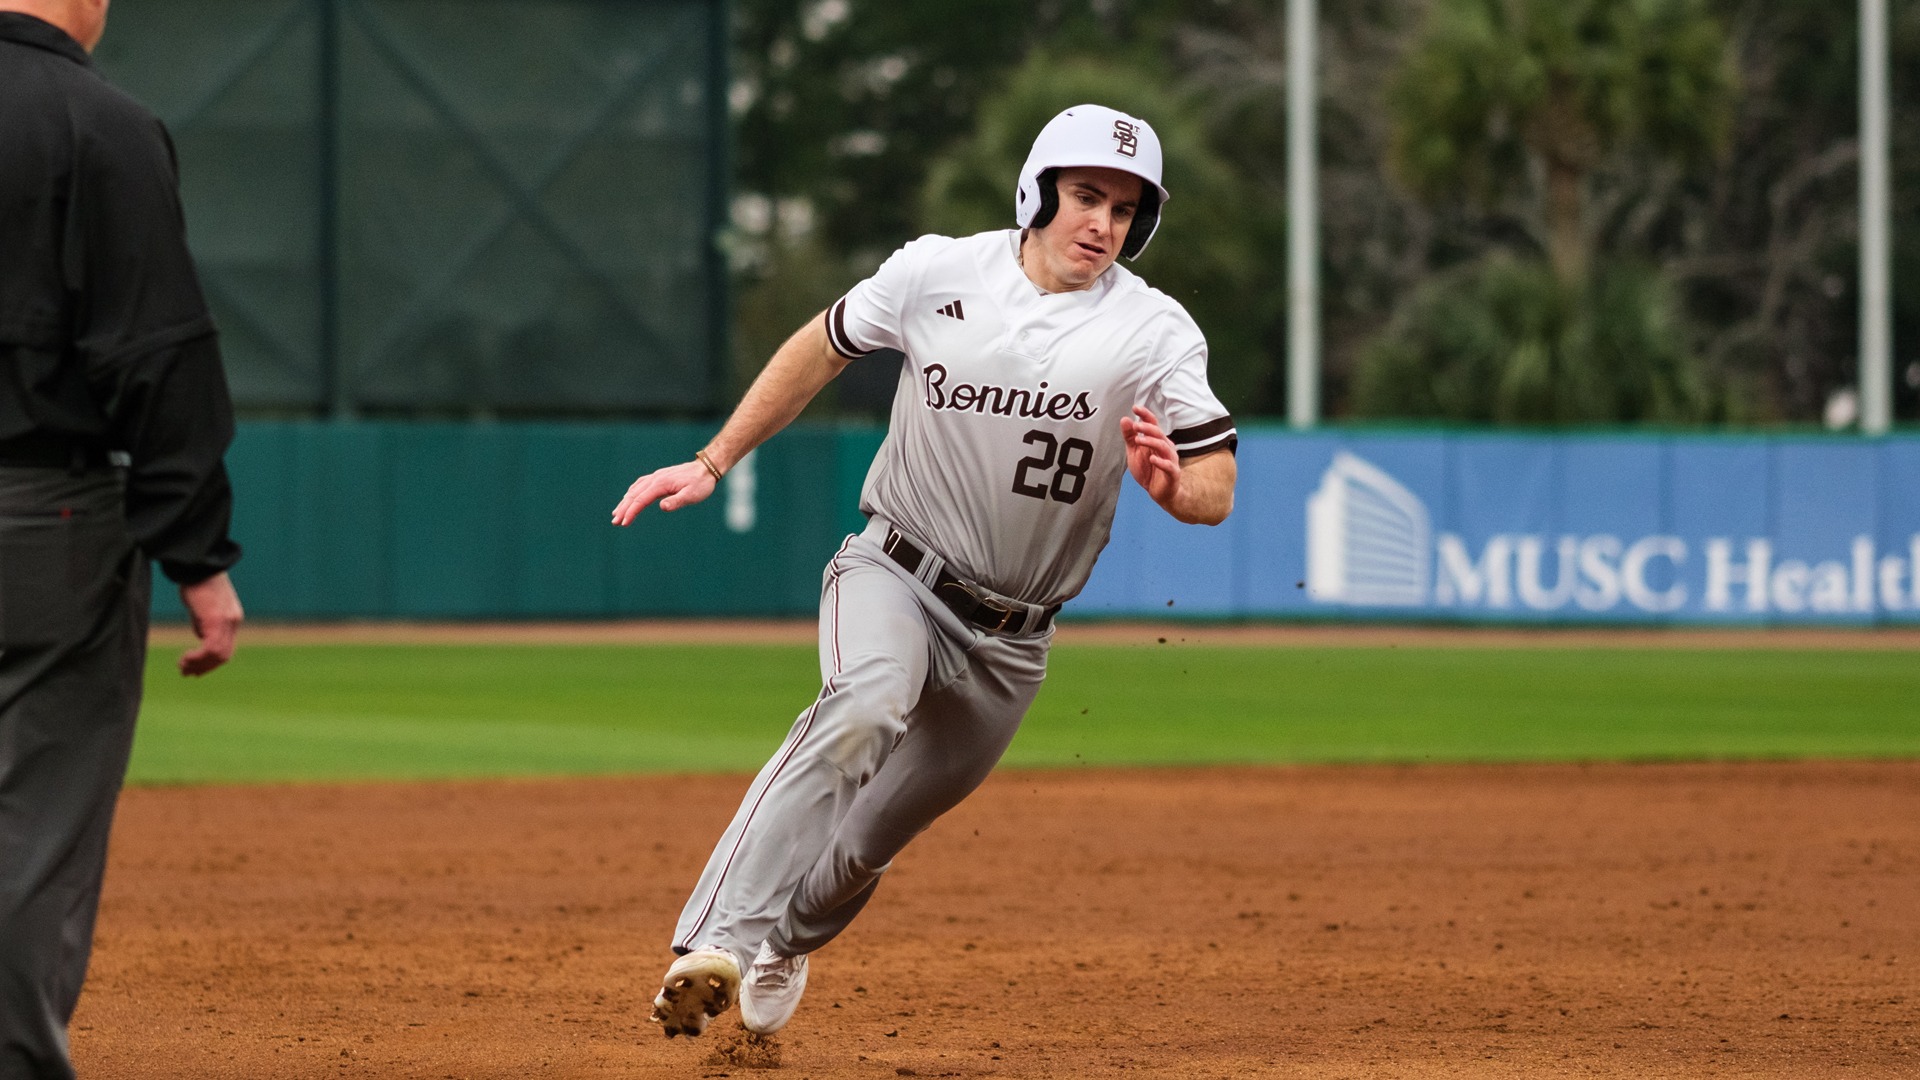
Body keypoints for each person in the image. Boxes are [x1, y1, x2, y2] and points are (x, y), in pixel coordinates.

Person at [612, 104, 1236, 1039]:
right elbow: (823, 346)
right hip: (896, 569)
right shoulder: (937, 270)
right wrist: (712, 460)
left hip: (1013, 643)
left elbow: (1215, 485)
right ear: (1038, 192)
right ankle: (718, 946)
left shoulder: (1153, 331)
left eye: (1124, 207)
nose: (1101, 222)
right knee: (863, 703)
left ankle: (784, 943)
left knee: (865, 845)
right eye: (1085, 196)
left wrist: (1174, 486)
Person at [0, 1, 246, 1075]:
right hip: (39, 518)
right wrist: (196, 553)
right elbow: (157, 355)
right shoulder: (97, 122)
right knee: (32, 823)